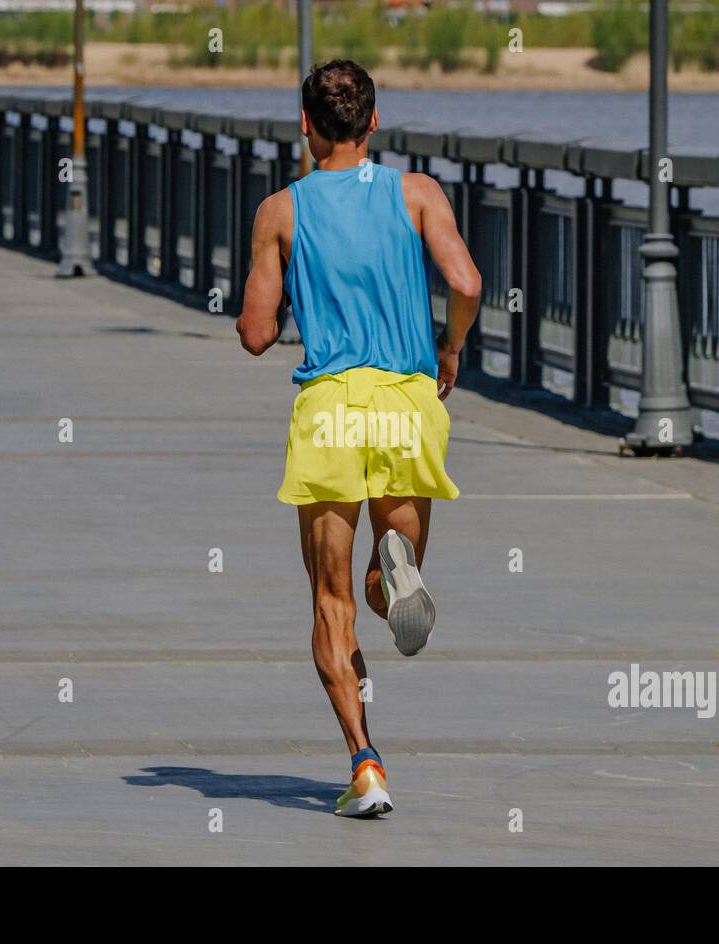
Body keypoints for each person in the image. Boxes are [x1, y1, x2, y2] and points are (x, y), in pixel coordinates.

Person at [236, 60, 481, 818]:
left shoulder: (281, 211)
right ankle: (394, 574)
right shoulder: (417, 193)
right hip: (408, 403)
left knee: (330, 601)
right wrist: (451, 349)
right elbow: (467, 283)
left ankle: (365, 764)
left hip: (332, 408)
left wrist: (274, 301)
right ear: (375, 122)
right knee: (383, 585)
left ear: (305, 126)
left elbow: (255, 334)